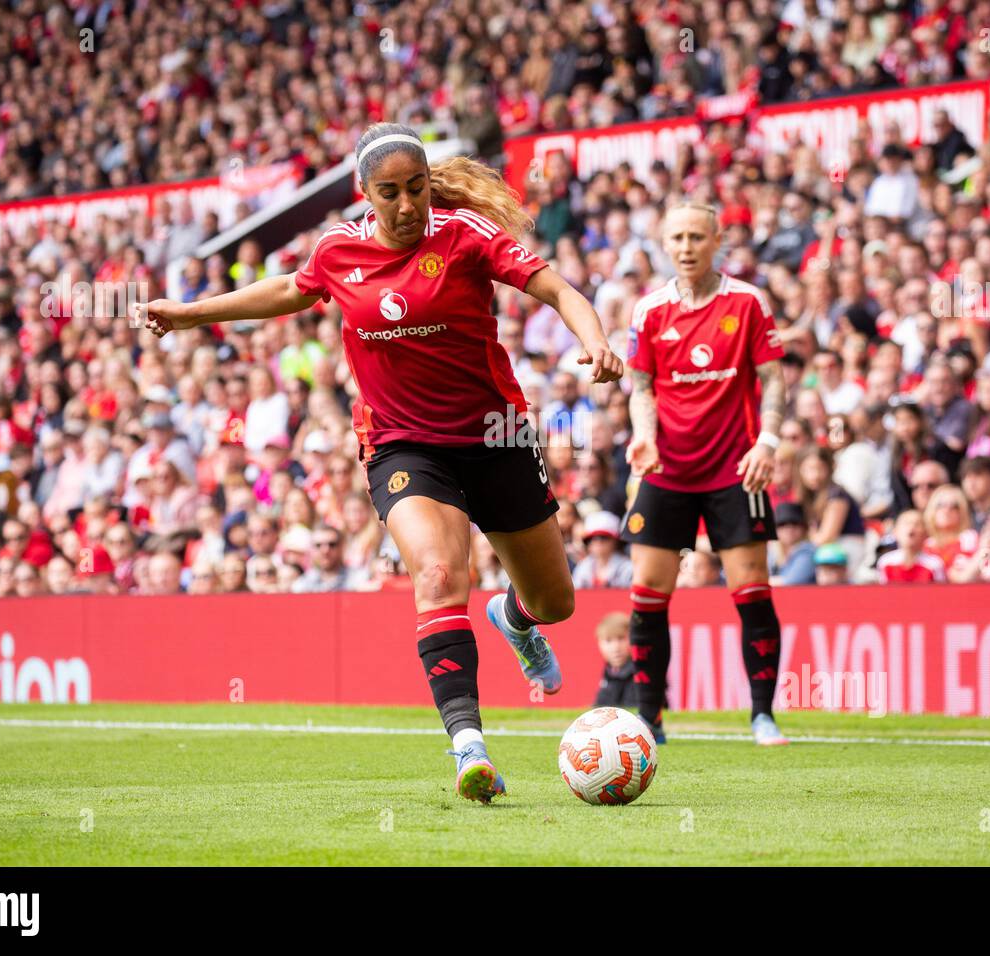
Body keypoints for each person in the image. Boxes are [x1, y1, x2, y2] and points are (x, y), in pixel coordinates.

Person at [136, 123, 624, 804]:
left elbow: (556, 290)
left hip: (496, 436)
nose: (406, 205)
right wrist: (192, 314)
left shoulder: (465, 236)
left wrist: (596, 341)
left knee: (555, 602)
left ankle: (513, 619)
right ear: (366, 195)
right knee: (434, 572)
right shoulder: (338, 249)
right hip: (403, 445)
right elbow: (289, 290)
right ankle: (469, 749)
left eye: (416, 188)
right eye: (389, 193)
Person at [620, 201, 789, 747]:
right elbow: (641, 387)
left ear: (718, 240)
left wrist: (768, 441)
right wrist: (642, 434)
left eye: (698, 236)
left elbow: (774, 379)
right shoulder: (648, 311)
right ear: (664, 244)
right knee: (647, 591)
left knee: (751, 589)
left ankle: (763, 716)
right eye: (678, 238)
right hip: (666, 467)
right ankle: (651, 718)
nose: (688, 246)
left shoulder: (747, 301)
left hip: (735, 469)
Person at [592, 612, 636, 707]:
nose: (616, 647)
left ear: (633, 639)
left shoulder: (640, 675)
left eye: (621, 638)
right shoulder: (609, 673)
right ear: (599, 643)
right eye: (608, 640)